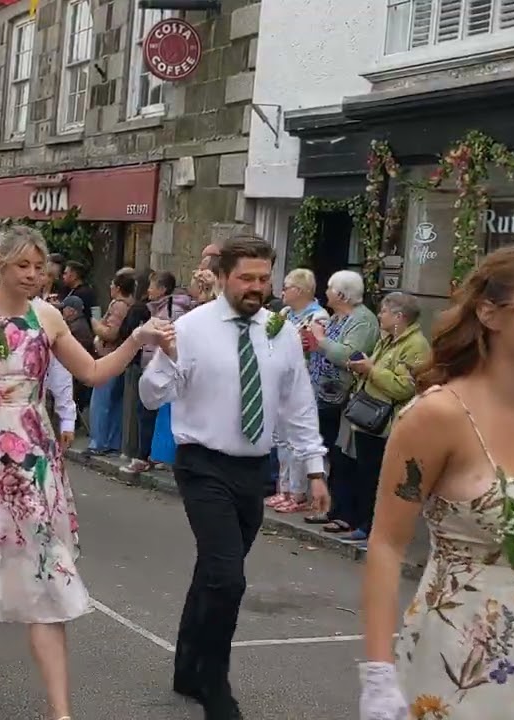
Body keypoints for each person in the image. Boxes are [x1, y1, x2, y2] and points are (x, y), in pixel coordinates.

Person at [0, 226, 166, 720]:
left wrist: (136, 340)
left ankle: (60, 710)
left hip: (33, 451)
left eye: (39, 267)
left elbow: (93, 374)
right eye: (23, 266)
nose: (34, 275)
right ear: (0, 266)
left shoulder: (48, 316)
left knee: (47, 571)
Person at [361, 246, 514, 720]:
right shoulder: (437, 415)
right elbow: (386, 544)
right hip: (459, 661)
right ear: (489, 312)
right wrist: (379, 674)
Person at [138, 235, 328, 720]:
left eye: (264, 279)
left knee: (214, 572)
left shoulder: (280, 330)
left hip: (252, 468)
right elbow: (152, 395)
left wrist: (314, 468)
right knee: (227, 575)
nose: (256, 287)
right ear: (222, 277)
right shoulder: (192, 328)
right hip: (202, 463)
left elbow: (298, 403)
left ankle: (187, 664)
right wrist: (167, 356)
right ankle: (214, 684)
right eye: (246, 278)